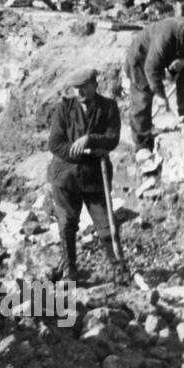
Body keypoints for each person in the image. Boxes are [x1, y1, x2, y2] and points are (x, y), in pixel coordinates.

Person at [47, 66, 122, 281]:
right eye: (75, 89)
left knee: (107, 224)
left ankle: (120, 269)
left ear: (95, 85)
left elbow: (112, 139)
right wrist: (87, 152)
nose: (79, 93)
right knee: (67, 225)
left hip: (96, 177)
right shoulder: (64, 109)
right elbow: (55, 144)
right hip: (65, 177)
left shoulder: (109, 107)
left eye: (84, 88)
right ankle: (71, 272)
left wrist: (89, 139)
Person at [123, 18, 184, 151]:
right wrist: (160, 95)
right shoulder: (165, 36)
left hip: (172, 55)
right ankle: (142, 143)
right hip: (142, 58)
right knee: (142, 96)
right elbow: (151, 68)